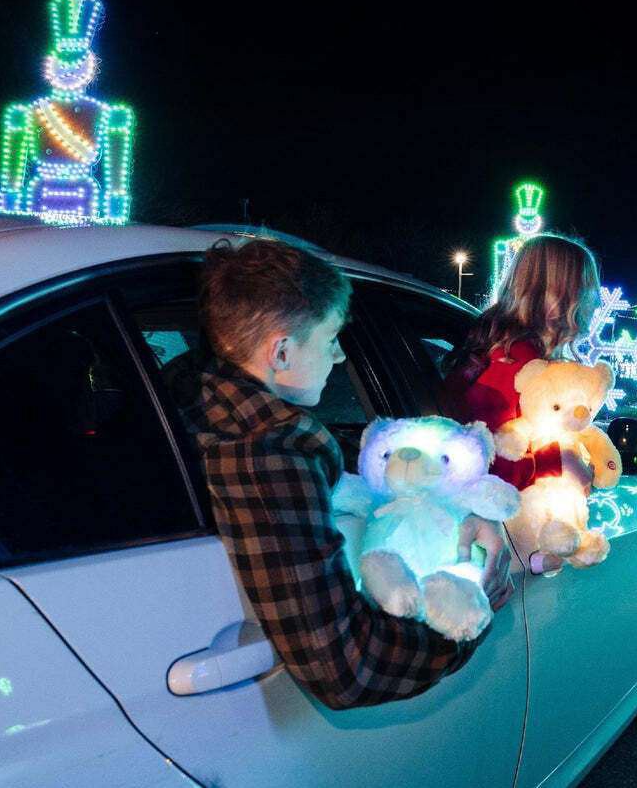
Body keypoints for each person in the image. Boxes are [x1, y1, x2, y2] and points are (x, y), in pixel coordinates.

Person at [167, 237, 513, 710]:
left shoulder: (199, 403)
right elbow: (347, 668)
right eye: (331, 340)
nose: (340, 357)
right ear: (281, 353)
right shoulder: (270, 452)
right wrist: (468, 621)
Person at [440, 233, 600, 575]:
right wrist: (563, 461)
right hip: (495, 549)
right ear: (558, 293)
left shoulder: (500, 349)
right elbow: (493, 466)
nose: (595, 300)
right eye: (586, 287)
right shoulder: (516, 364)